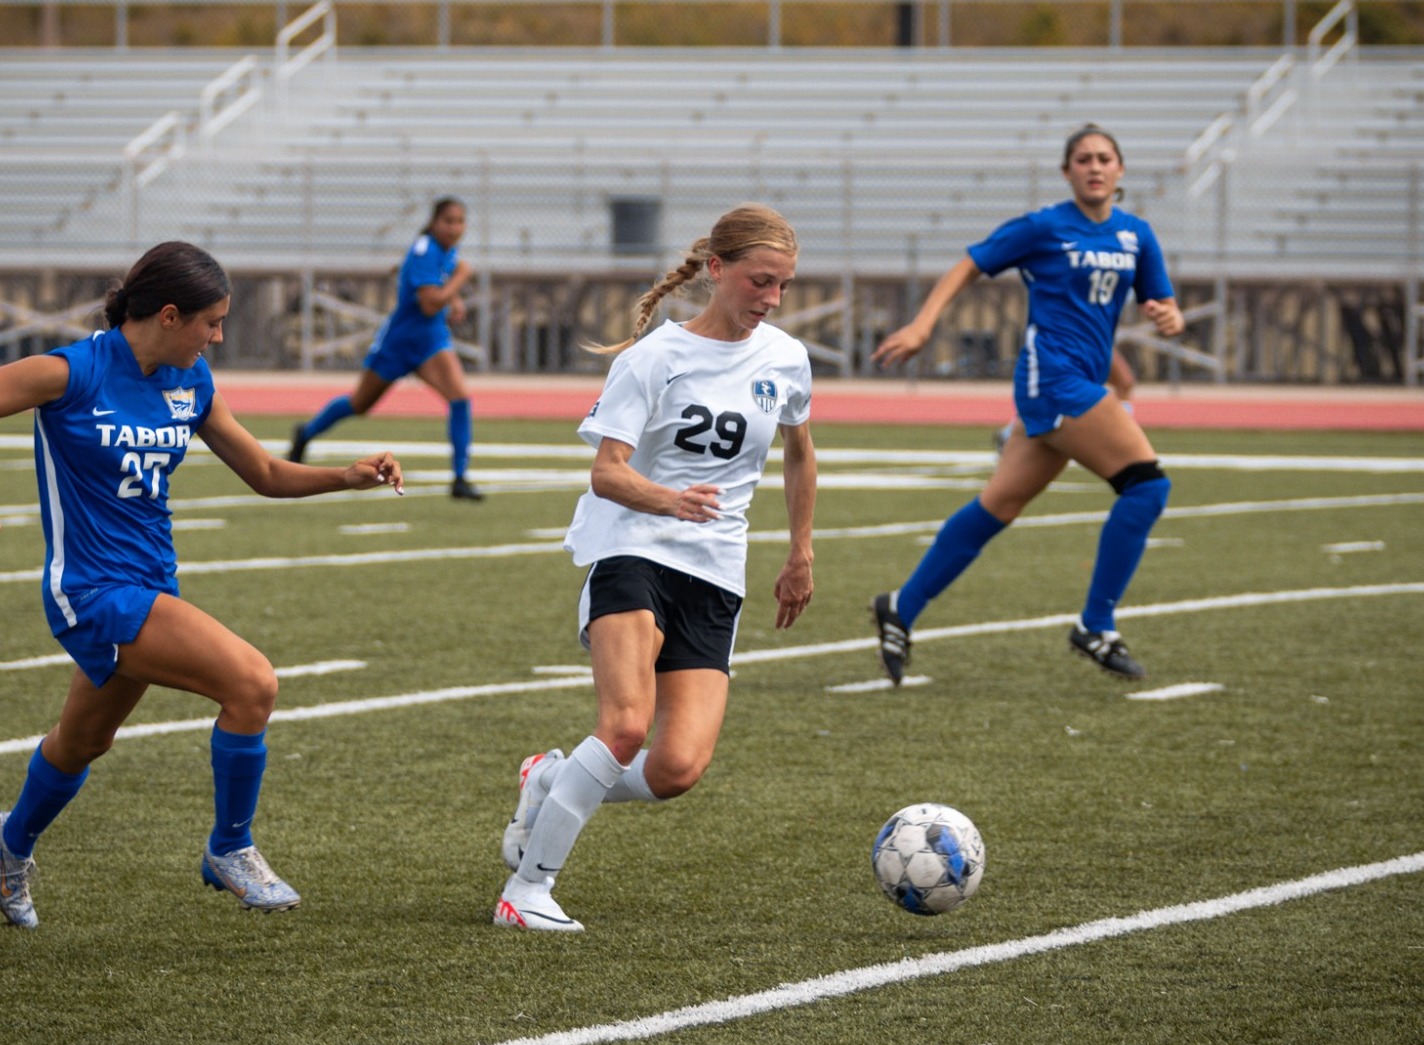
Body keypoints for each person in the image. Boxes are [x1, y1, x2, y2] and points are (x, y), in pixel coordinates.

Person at [0, 241, 405, 929]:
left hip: (154, 585)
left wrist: (344, 476)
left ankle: (10, 838)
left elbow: (264, 473)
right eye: (211, 321)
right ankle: (229, 846)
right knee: (252, 682)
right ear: (170, 315)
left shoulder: (192, 380)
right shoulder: (72, 371)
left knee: (81, 742)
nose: (218, 335)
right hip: (92, 591)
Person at [493, 204, 817, 932]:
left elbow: (800, 450)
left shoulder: (786, 359)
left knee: (675, 769)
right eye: (760, 281)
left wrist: (800, 550)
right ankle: (528, 888)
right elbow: (607, 474)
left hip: (716, 571)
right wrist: (668, 500)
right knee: (625, 727)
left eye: (784, 286)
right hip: (631, 550)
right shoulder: (652, 359)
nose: (771, 298)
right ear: (716, 270)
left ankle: (547, 775)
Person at [871, 124, 1184, 683]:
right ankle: (1096, 624)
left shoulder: (1136, 235)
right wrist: (923, 325)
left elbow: (1161, 301)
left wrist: (1170, 316)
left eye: (1104, 158)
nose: (1094, 166)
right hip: (1053, 382)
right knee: (1148, 486)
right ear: (1067, 172)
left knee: (997, 508)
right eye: (1083, 159)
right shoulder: (1044, 226)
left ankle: (902, 606)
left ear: (1120, 171)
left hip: (1079, 383)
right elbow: (970, 262)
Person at [287, 196, 483, 500]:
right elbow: (430, 304)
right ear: (434, 223)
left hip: (431, 341)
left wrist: (453, 298)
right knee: (359, 404)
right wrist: (459, 281)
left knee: (460, 399)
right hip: (399, 342)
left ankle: (460, 478)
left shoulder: (444, 250)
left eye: (460, 221)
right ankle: (306, 433)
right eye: (449, 221)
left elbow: (432, 285)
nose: (455, 227)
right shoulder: (425, 249)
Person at [995, 348, 1135, 453]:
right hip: (1074, 333)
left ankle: (1116, 434)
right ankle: (1014, 432)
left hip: (1094, 333)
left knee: (1122, 382)